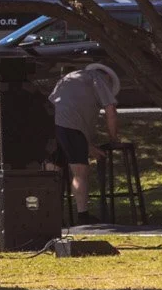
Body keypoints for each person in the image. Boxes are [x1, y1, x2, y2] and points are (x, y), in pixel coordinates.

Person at [49, 63, 120, 225]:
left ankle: (52, 215)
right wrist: (113, 138)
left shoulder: (69, 78)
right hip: (70, 127)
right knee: (79, 171)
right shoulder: (99, 78)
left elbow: (59, 108)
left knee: (53, 171)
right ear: (107, 78)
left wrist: (87, 145)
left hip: (50, 124)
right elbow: (111, 113)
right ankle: (83, 216)